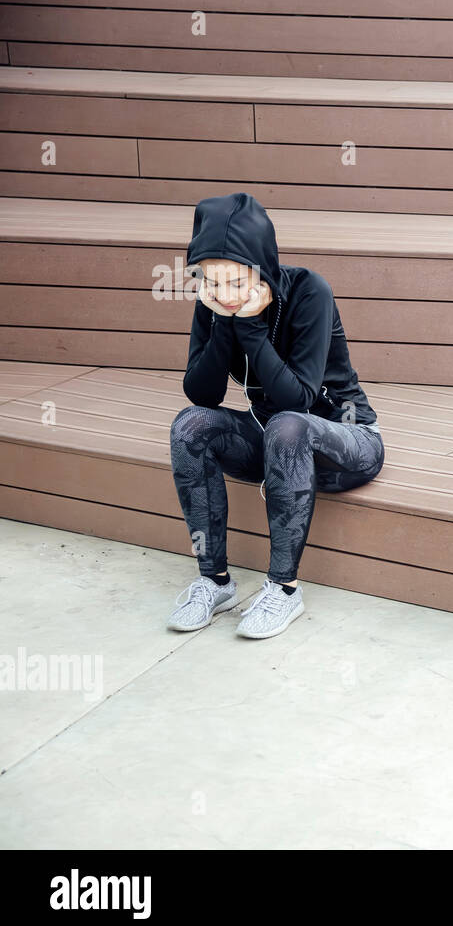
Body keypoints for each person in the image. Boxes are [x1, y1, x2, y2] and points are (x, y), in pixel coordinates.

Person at [167, 192, 384, 639]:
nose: (225, 295)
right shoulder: (214, 305)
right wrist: (226, 325)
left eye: (236, 282)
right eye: (212, 282)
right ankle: (214, 580)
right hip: (273, 445)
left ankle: (284, 590)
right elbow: (201, 392)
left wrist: (248, 326)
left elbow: (297, 400)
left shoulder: (309, 292)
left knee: (288, 426)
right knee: (189, 424)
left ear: (260, 266)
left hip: (347, 442)